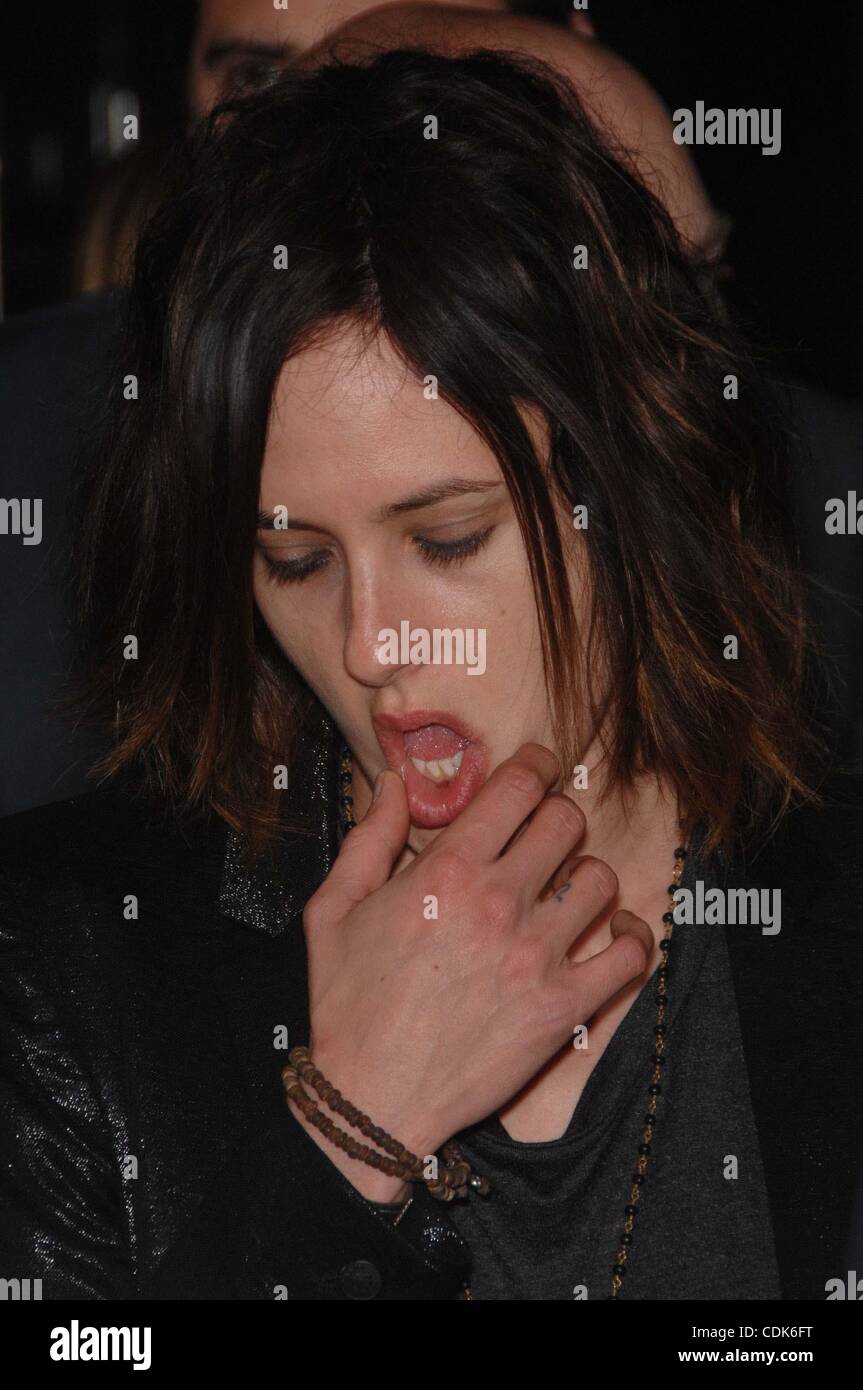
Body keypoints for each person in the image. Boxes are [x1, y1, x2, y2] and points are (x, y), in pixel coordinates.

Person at [1, 43, 861, 1302]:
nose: (367, 642)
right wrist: (353, 1131)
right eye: (292, 558)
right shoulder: (62, 964)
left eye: (445, 539)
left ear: (631, 489)